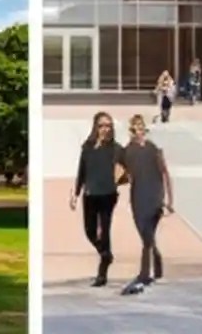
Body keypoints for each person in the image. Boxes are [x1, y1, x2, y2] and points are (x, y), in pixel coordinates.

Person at [120, 115, 174, 296]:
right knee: (146, 236)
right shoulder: (127, 152)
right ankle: (157, 260)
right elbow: (121, 176)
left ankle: (144, 274)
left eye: (141, 127)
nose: (139, 131)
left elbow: (166, 174)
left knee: (147, 236)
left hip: (154, 197)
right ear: (131, 131)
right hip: (137, 198)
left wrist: (170, 200)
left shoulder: (154, 149)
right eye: (135, 128)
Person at [70, 111, 124, 287]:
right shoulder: (88, 147)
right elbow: (81, 171)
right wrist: (75, 193)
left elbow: (127, 170)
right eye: (102, 126)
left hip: (108, 194)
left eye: (108, 126)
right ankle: (105, 253)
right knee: (90, 230)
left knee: (105, 229)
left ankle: (102, 273)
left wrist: (122, 179)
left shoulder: (116, 149)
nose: (105, 129)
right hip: (90, 193)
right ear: (95, 127)